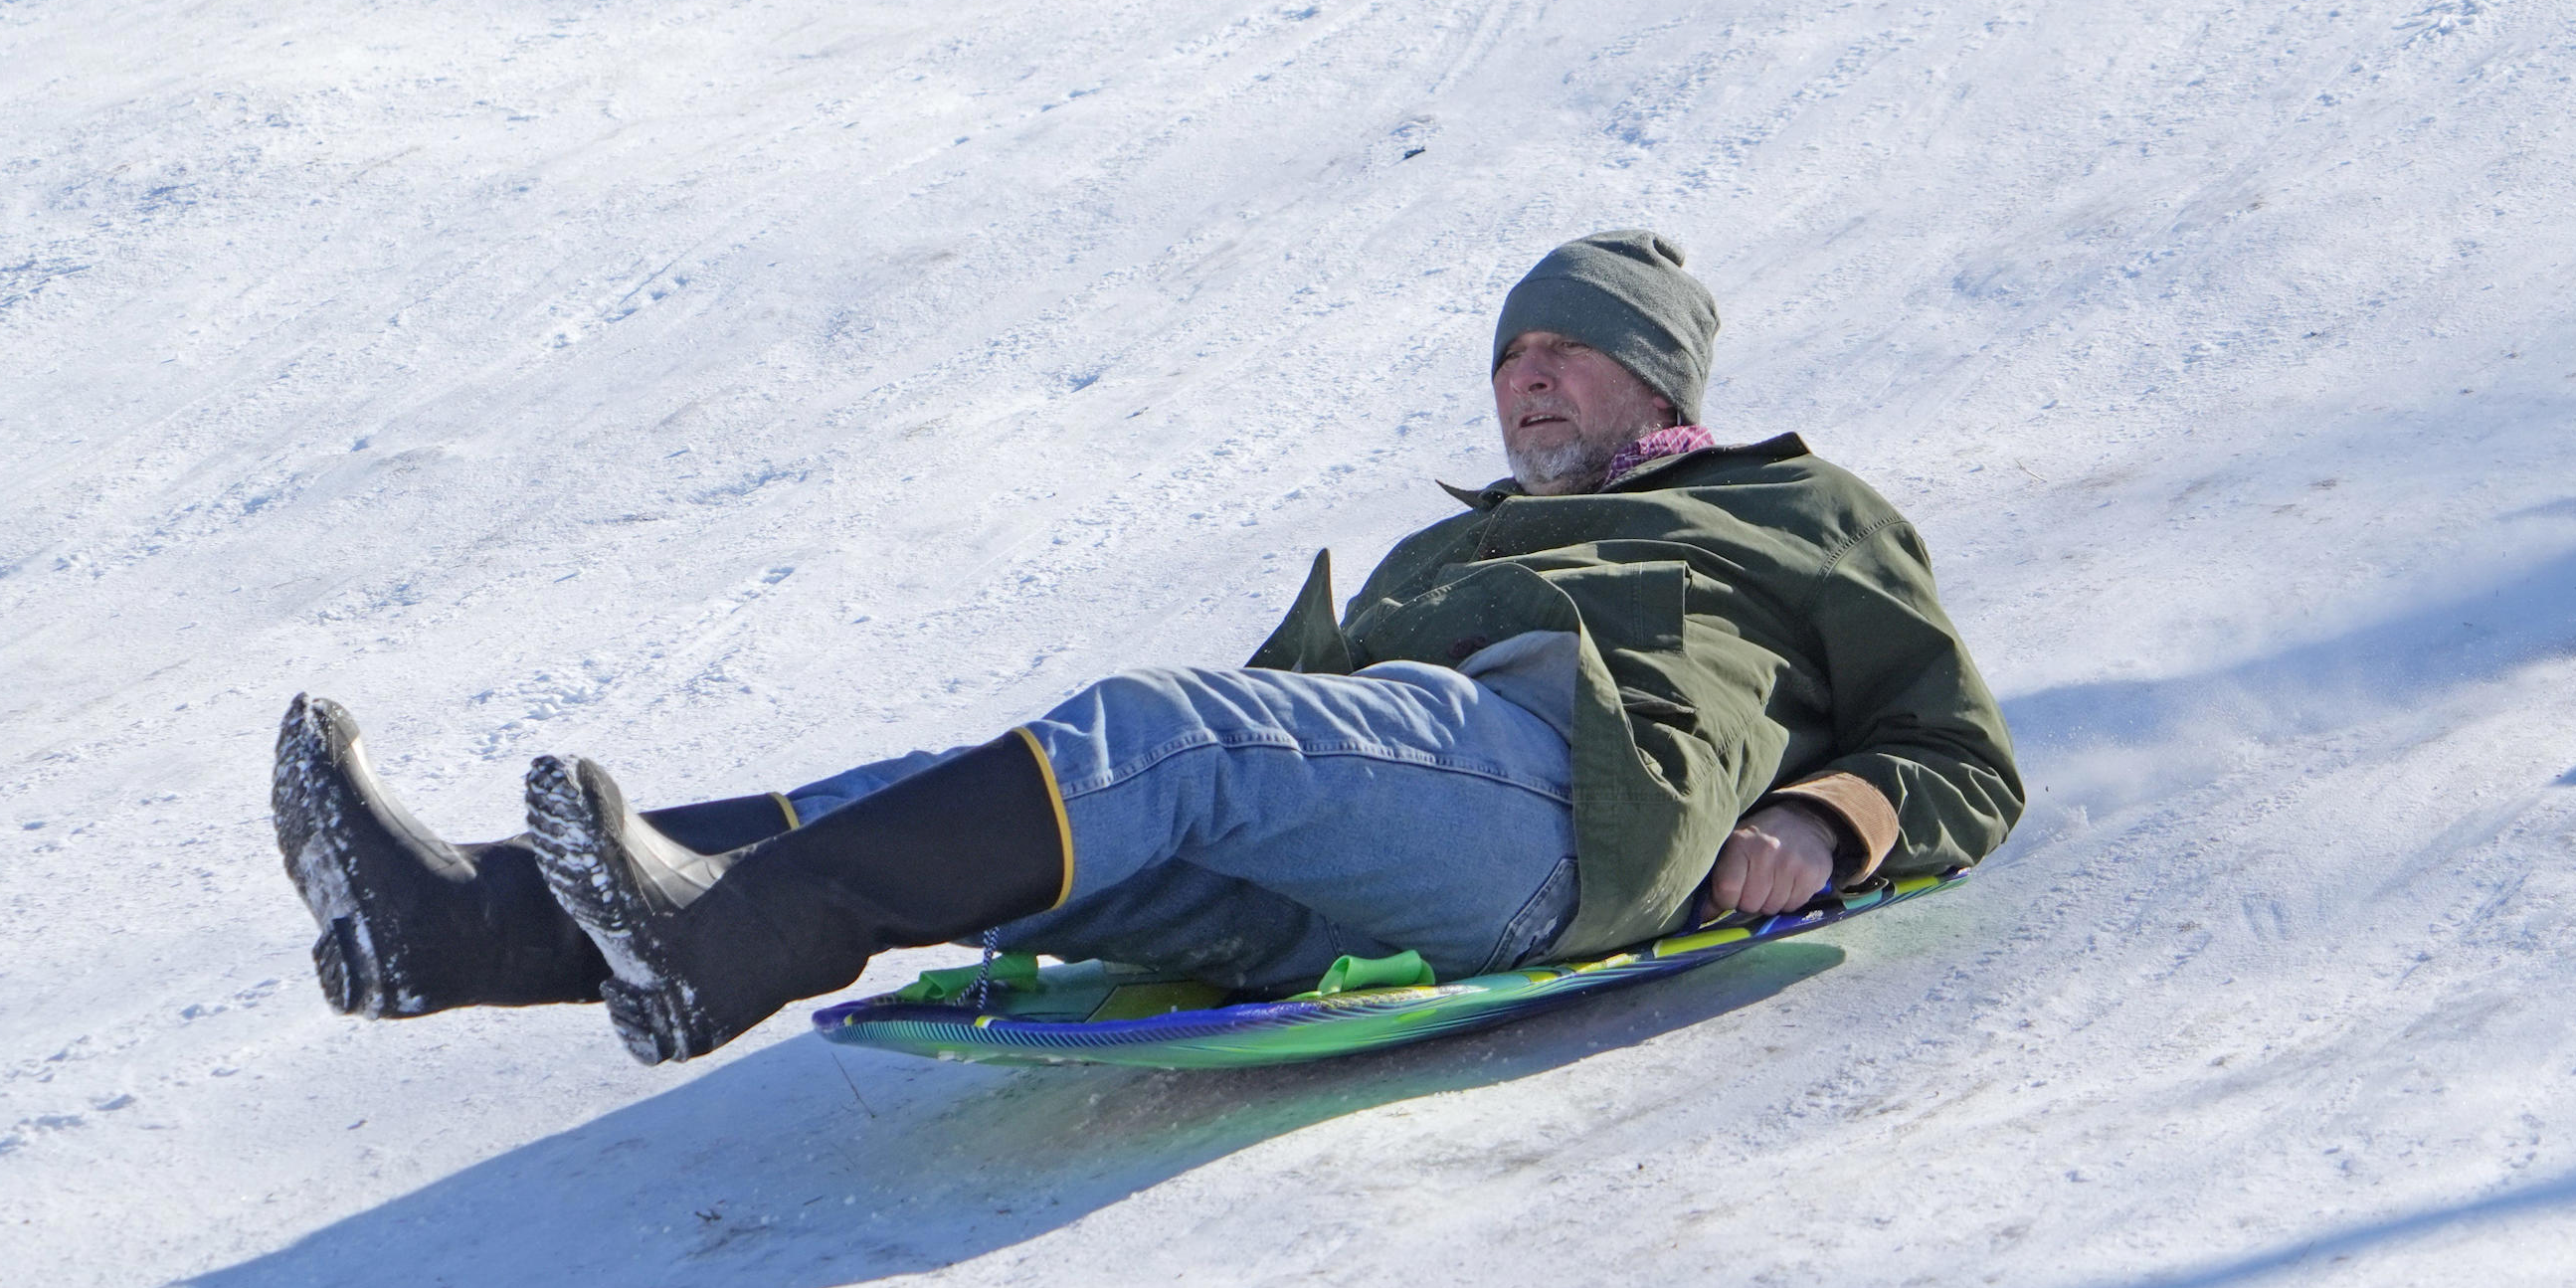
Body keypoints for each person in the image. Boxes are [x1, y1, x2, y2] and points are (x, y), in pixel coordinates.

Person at [275, 230, 2024, 1063]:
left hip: (1571, 813)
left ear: (1664, 379)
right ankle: (462, 924)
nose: (1527, 378)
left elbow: (1960, 749)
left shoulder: (1792, 509)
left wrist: (1828, 821)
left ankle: (723, 945)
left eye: (1573, 348)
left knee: (1167, 731)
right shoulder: (1451, 540)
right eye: (1509, 356)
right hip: (1347, 885)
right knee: (986, 801)